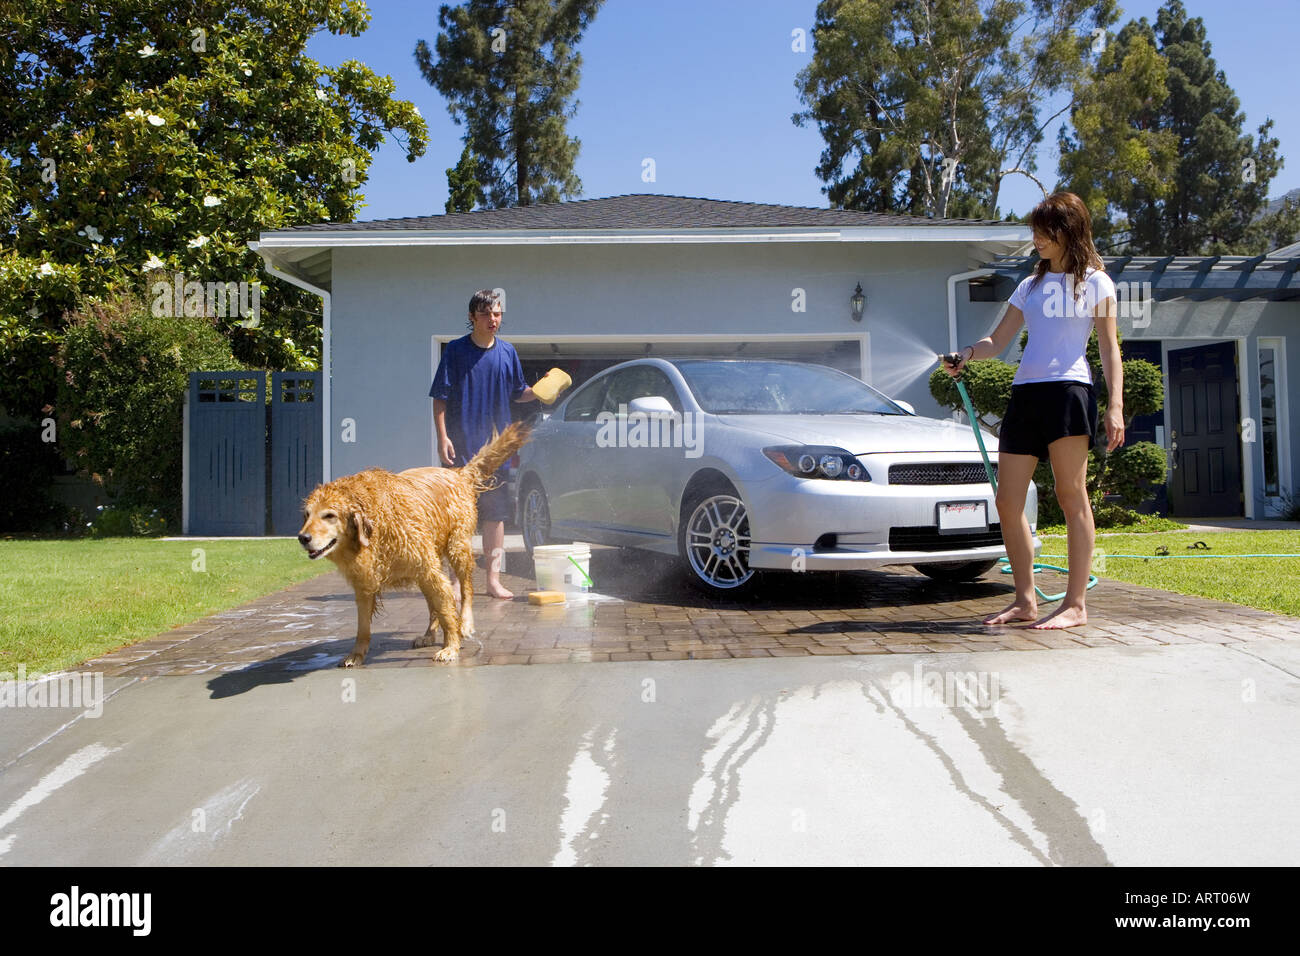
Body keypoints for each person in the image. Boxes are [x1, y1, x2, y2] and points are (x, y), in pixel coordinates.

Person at [945, 191, 1124, 629]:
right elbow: (997, 341)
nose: (1036, 240)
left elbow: (1108, 347)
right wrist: (967, 353)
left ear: (1067, 232)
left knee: (1070, 495)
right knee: (1007, 500)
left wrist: (1114, 405)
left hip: (1070, 392)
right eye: (1035, 231)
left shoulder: (1096, 282)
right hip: (1026, 393)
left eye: (1043, 232)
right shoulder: (1030, 286)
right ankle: (1025, 601)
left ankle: (1075, 605)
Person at [431, 289, 538, 599]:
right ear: (472, 317)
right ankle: (455, 581)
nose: (493, 319)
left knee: (495, 516)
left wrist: (541, 390)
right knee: (458, 519)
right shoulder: (455, 351)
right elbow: (440, 397)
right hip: (460, 449)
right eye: (486, 314)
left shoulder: (508, 353)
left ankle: (492, 581)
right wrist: (442, 437)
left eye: (498, 314)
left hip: (496, 452)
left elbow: (519, 391)